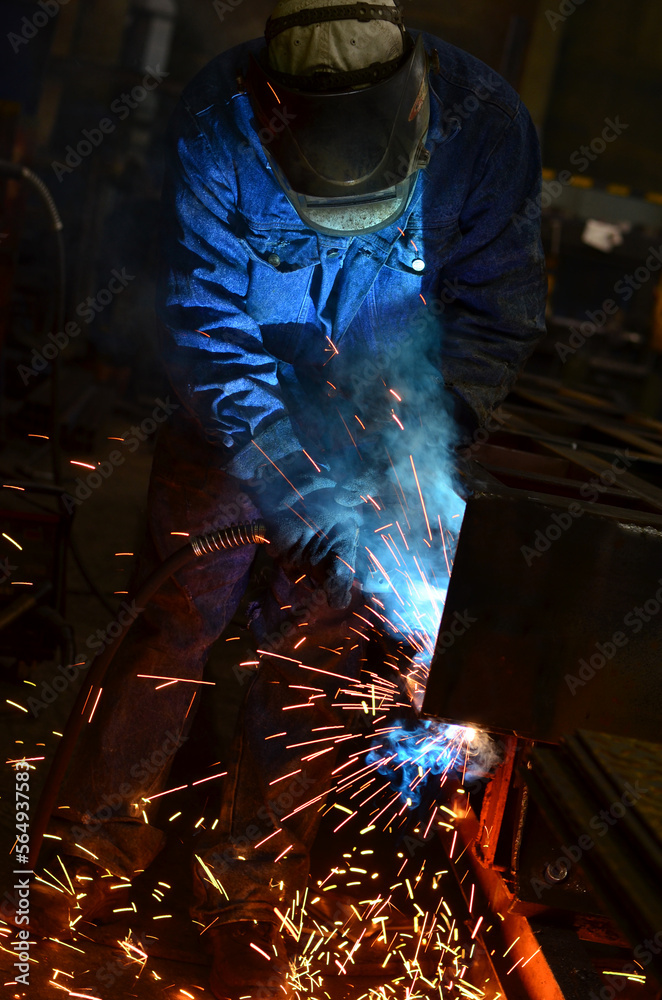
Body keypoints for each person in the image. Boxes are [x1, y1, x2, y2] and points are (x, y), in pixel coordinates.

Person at [21, 1, 546, 997]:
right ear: (274, 109)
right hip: (235, 409)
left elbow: (498, 313)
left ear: (415, 111)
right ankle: (79, 856)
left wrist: (409, 455)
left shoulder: (485, 126)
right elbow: (207, 316)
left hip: (384, 421)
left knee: (314, 653)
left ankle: (251, 890)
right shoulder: (217, 117)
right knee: (175, 620)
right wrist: (288, 476)